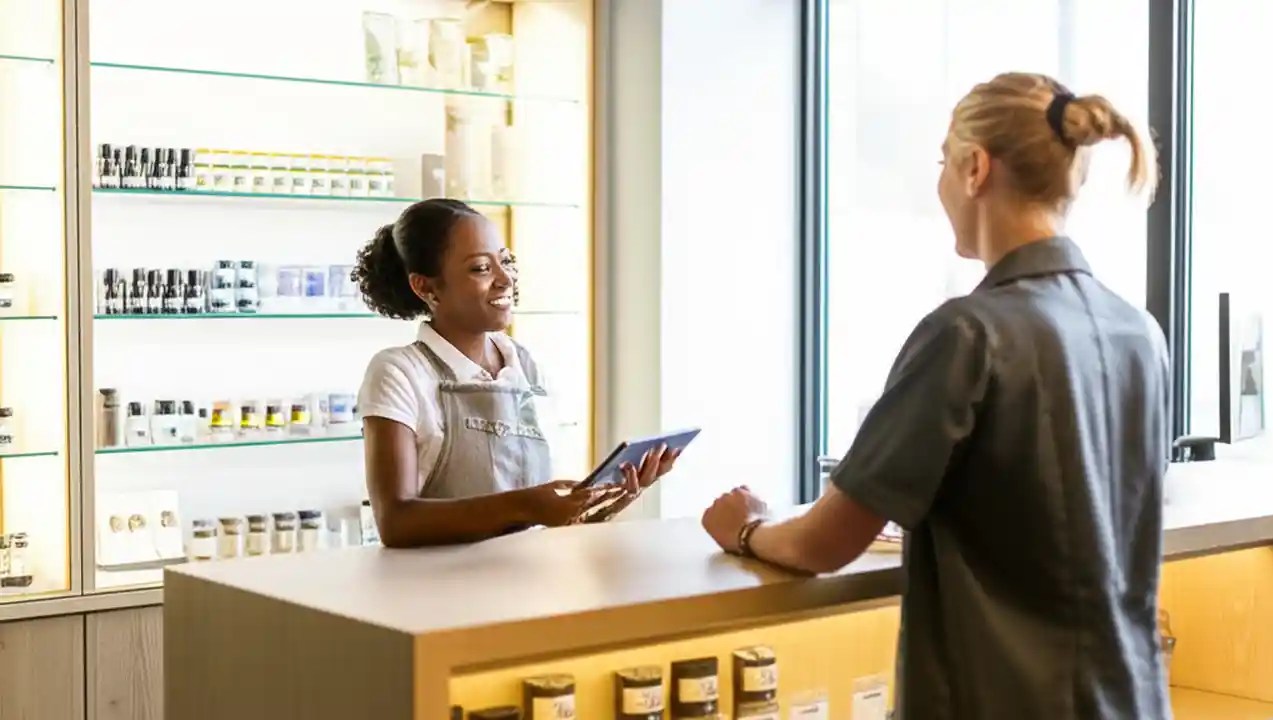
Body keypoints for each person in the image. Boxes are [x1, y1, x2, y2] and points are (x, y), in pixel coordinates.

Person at [702, 73, 1170, 719]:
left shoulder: (968, 335)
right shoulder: (1139, 332)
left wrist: (747, 529)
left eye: (942, 163)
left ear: (975, 167)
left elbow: (824, 544)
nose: (941, 185)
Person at [356, 199, 677, 547]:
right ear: (426, 287)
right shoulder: (399, 372)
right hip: (442, 594)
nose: (505, 279)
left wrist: (618, 492)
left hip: (530, 587)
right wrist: (527, 506)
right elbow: (396, 521)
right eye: (481, 268)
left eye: (506, 261)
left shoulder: (525, 363)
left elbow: (554, 519)